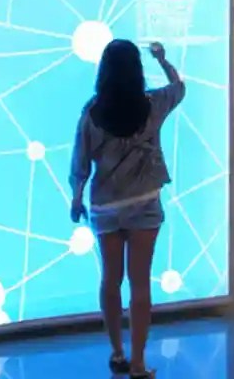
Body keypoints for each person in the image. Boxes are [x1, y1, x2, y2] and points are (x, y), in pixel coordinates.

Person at [69, 39, 185, 378]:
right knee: (140, 285)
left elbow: (80, 159)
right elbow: (179, 87)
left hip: (105, 206)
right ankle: (137, 362)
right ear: (137, 69)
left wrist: (76, 196)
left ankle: (116, 352)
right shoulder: (153, 104)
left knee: (110, 279)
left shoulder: (91, 112)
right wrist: (163, 60)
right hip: (144, 205)